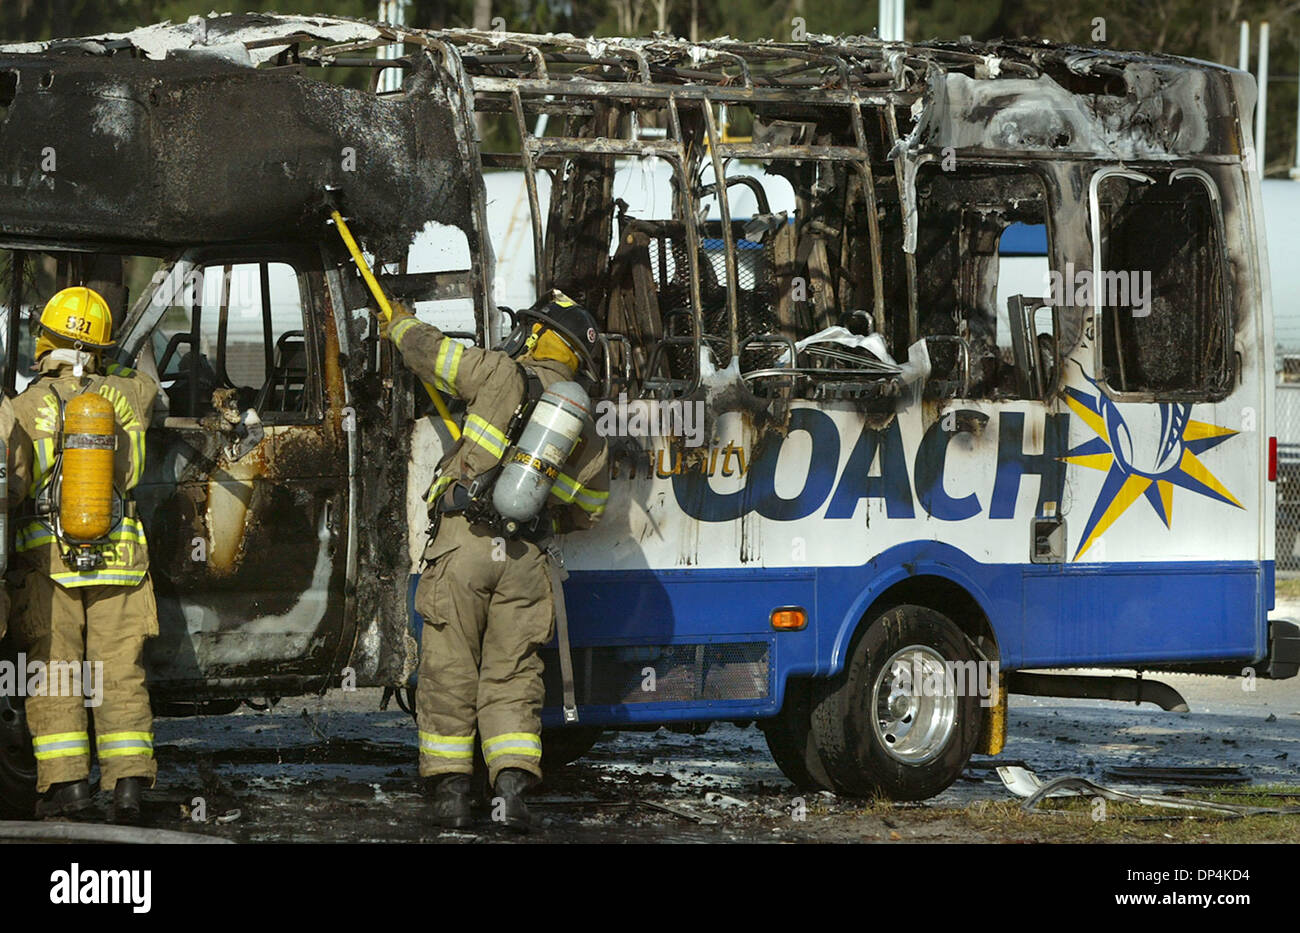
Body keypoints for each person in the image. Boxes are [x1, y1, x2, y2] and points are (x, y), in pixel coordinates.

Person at [383, 290, 610, 832]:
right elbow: (593, 509)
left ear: (534, 335)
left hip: (465, 544)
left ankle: (452, 798)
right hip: (527, 556)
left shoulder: (500, 372)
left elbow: (431, 356)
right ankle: (509, 794)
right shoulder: (583, 423)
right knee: (513, 674)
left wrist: (398, 321)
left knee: (450, 668)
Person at [7, 286, 160, 824]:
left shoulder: (26, 407)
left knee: (55, 672)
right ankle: (128, 790)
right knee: (120, 672)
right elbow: (148, 381)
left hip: (51, 564)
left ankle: (67, 789)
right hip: (120, 560)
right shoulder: (128, 397)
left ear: (43, 342)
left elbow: (14, 486)